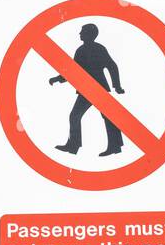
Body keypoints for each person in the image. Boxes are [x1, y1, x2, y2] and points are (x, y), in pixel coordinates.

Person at [48, 23, 125, 156]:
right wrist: (58, 79)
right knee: (75, 116)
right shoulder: (80, 50)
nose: (80, 34)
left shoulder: (99, 49)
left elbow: (112, 66)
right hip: (86, 90)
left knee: (108, 117)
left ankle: (114, 147)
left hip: (98, 89)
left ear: (90, 34)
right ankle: (74, 145)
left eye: (82, 31)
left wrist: (117, 86)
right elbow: (72, 70)